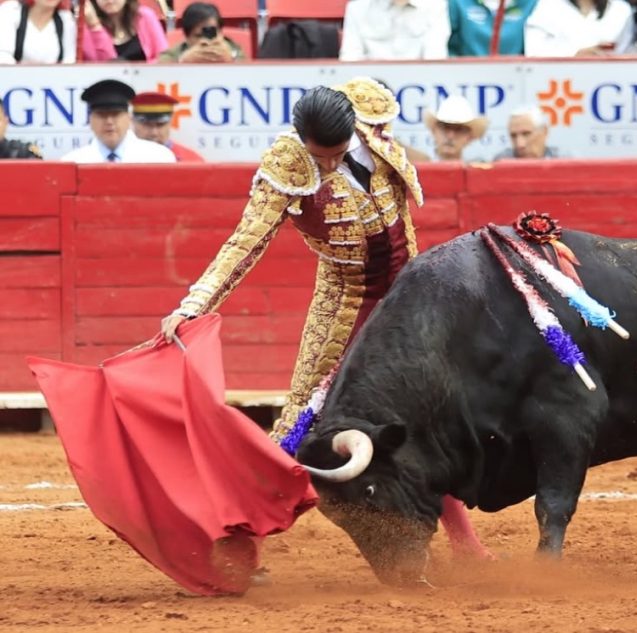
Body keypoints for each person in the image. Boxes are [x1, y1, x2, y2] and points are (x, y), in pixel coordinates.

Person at [158, 79, 490, 559]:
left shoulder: (372, 121)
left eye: (336, 154)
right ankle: (239, 542)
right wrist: (195, 304)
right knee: (302, 422)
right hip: (348, 303)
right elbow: (245, 242)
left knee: (430, 414)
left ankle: (467, 545)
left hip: (411, 297)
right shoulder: (288, 165)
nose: (330, 165)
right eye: (320, 157)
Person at [61, 79, 176, 164]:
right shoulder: (73, 161)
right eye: (101, 115)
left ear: (128, 118)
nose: (109, 121)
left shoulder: (159, 157)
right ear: (90, 120)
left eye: (116, 114)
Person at [340, 0, 450, 61]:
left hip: (421, 87)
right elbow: (350, 58)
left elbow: (435, 59)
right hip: (368, 90)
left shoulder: (436, 6)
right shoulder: (357, 8)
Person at [524, 0, 635, 56]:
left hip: (609, 84)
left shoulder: (621, 9)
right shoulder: (547, 6)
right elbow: (533, 53)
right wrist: (575, 55)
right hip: (558, 84)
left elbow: (627, 55)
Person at [81, 0, 168, 62]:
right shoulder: (86, 28)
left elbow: (164, 59)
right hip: (109, 82)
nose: (110, 1)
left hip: (147, 80)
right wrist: (95, 28)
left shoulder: (145, 16)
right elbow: (106, 69)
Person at [158, 2, 246, 63]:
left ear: (220, 32)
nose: (205, 42)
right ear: (187, 37)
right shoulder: (173, 54)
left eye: (212, 34)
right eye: (199, 36)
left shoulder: (234, 50)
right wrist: (183, 62)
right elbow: (161, 72)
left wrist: (231, 61)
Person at [131, 92, 205, 162]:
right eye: (147, 125)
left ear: (171, 121)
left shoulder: (192, 161)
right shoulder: (125, 158)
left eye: (160, 125)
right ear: (132, 121)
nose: (154, 133)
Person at [448, 0, 540, 56]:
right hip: (464, 76)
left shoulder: (535, 3)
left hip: (517, 75)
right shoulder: (454, 2)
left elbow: (541, 52)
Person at [0, 0, 75, 64]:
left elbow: (69, 61)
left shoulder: (66, 20)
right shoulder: (11, 11)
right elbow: (3, 56)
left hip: (54, 76)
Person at [424, 94, 489, 161]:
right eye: (445, 127)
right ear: (433, 131)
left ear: (470, 137)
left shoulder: (477, 167)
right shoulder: (419, 166)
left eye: (459, 129)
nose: (450, 136)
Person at [494, 104, 562, 160]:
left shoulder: (562, 163)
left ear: (544, 132)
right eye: (513, 136)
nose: (520, 145)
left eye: (526, 134)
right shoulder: (501, 163)